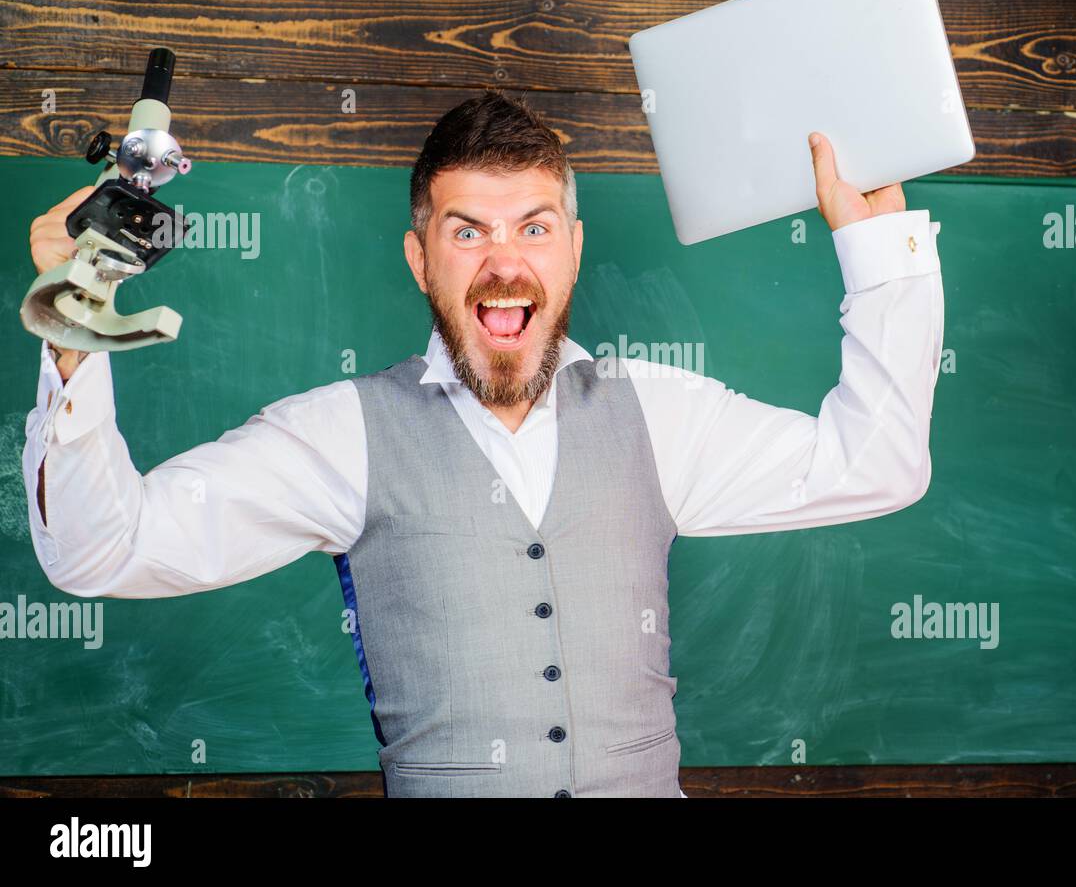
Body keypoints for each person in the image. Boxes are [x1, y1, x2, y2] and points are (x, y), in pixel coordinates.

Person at [23, 89, 945, 797]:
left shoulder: (659, 414)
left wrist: (879, 248)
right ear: (421, 259)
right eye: (468, 232)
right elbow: (102, 550)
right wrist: (71, 335)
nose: (506, 262)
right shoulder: (343, 434)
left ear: (574, 250)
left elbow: (876, 463)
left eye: (534, 228)